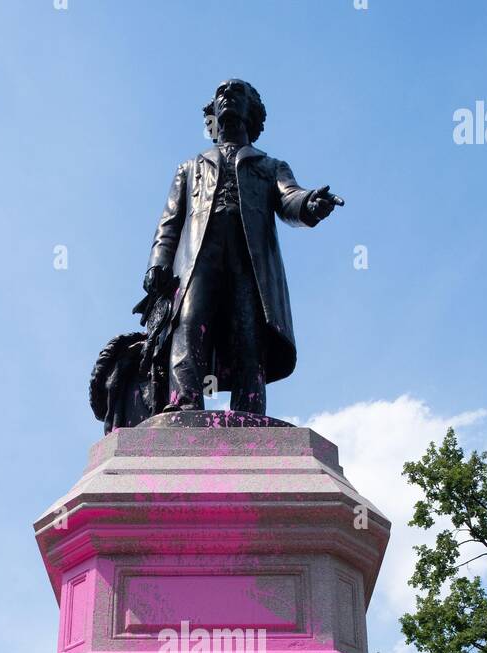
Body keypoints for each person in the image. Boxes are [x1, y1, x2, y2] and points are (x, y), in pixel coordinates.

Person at [144, 79, 343, 416]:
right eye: (221, 94)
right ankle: (185, 403)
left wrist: (310, 204)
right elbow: (170, 221)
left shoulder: (269, 166)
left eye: (237, 93)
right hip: (197, 257)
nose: (227, 97)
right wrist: (158, 262)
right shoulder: (190, 167)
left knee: (249, 329)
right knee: (190, 322)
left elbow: (290, 197)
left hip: (249, 259)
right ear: (213, 113)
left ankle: (249, 409)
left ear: (253, 112)